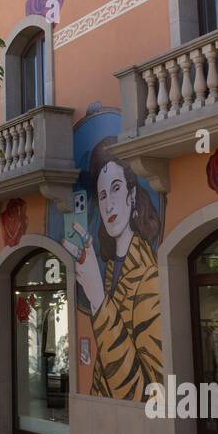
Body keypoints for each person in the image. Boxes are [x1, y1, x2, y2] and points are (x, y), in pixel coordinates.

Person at [62, 139, 164, 401]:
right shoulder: (112, 271)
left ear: (132, 196)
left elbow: (148, 394)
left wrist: (97, 297)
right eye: (103, 195)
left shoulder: (148, 277)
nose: (108, 205)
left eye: (116, 189)